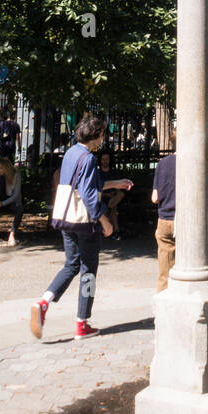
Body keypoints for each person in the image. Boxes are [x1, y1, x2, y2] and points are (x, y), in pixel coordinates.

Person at [30, 115, 133, 341]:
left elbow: (81, 185)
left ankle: (44, 301)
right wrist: (104, 220)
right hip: (86, 222)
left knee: (71, 264)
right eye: (102, 134)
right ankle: (82, 323)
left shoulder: (71, 153)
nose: (103, 138)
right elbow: (87, 193)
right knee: (89, 271)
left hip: (67, 218)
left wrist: (116, 183)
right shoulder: (88, 158)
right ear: (95, 135)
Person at [151, 135, 176, 292]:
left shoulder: (162, 163)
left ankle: (162, 308)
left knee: (164, 274)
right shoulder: (195, 162)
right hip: (187, 222)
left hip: (165, 220)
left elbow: (155, 198)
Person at [0, 156, 23, 247]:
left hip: (12, 201)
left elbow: (16, 195)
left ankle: (12, 234)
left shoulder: (16, 175)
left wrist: (3, 203)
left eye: (0, 168)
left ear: (7, 167)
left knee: (20, 209)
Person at [98, 150, 126, 237]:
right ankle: (116, 230)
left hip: (113, 197)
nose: (105, 161)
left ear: (110, 160)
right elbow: (97, 189)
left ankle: (109, 209)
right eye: (103, 159)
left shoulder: (114, 173)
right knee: (114, 208)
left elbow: (119, 187)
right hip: (102, 197)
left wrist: (113, 193)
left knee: (120, 194)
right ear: (100, 160)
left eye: (106, 159)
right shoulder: (97, 173)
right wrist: (106, 194)